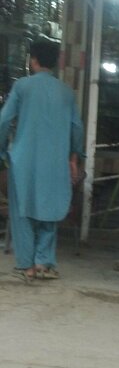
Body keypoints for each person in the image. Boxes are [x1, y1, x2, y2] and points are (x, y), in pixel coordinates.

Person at [0, 37, 84, 283]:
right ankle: (43, 262)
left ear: (32, 60)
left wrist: (2, 150)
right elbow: (76, 128)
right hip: (55, 162)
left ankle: (26, 266)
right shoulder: (67, 93)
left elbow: (3, 121)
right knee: (51, 211)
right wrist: (74, 157)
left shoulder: (22, 87)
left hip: (22, 161)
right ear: (57, 62)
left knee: (23, 212)